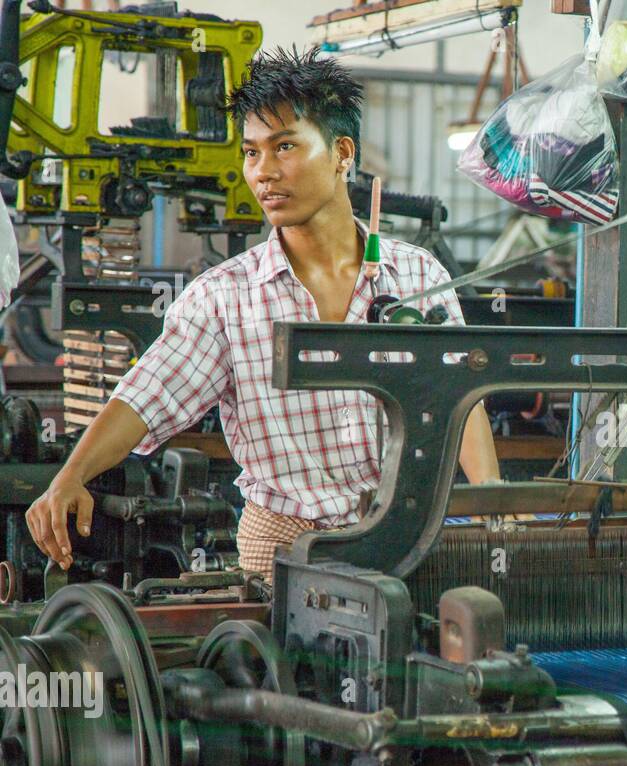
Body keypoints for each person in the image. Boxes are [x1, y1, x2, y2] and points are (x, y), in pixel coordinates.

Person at [26, 46, 505, 579]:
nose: (264, 173)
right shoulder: (225, 298)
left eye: (285, 147)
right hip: (283, 552)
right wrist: (70, 475)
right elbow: (146, 397)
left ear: (342, 153)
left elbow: (461, 403)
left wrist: (493, 515)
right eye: (252, 153)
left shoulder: (417, 277)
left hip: (409, 541)